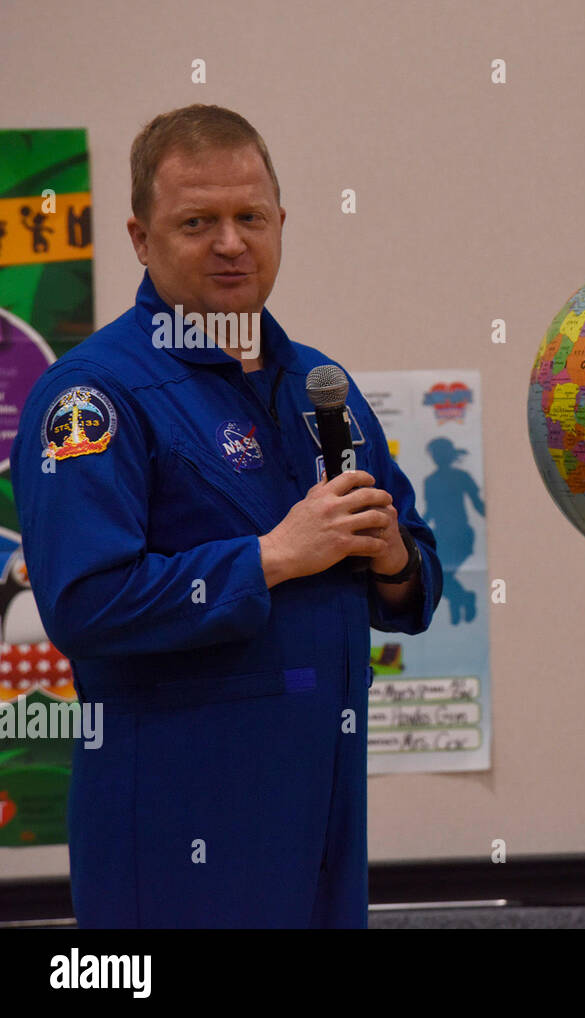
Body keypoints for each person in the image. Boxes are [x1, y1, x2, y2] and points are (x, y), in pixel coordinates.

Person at [11, 105, 443, 928]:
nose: (231, 242)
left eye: (250, 217)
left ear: (282, 222)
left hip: (320, 814)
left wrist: (393, 558)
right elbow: (85, 604)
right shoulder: (93, 396)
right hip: (179, 832)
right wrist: (273, 557)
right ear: (141, 239)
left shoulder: (324, 385)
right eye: (197, 222)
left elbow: (416, 580)